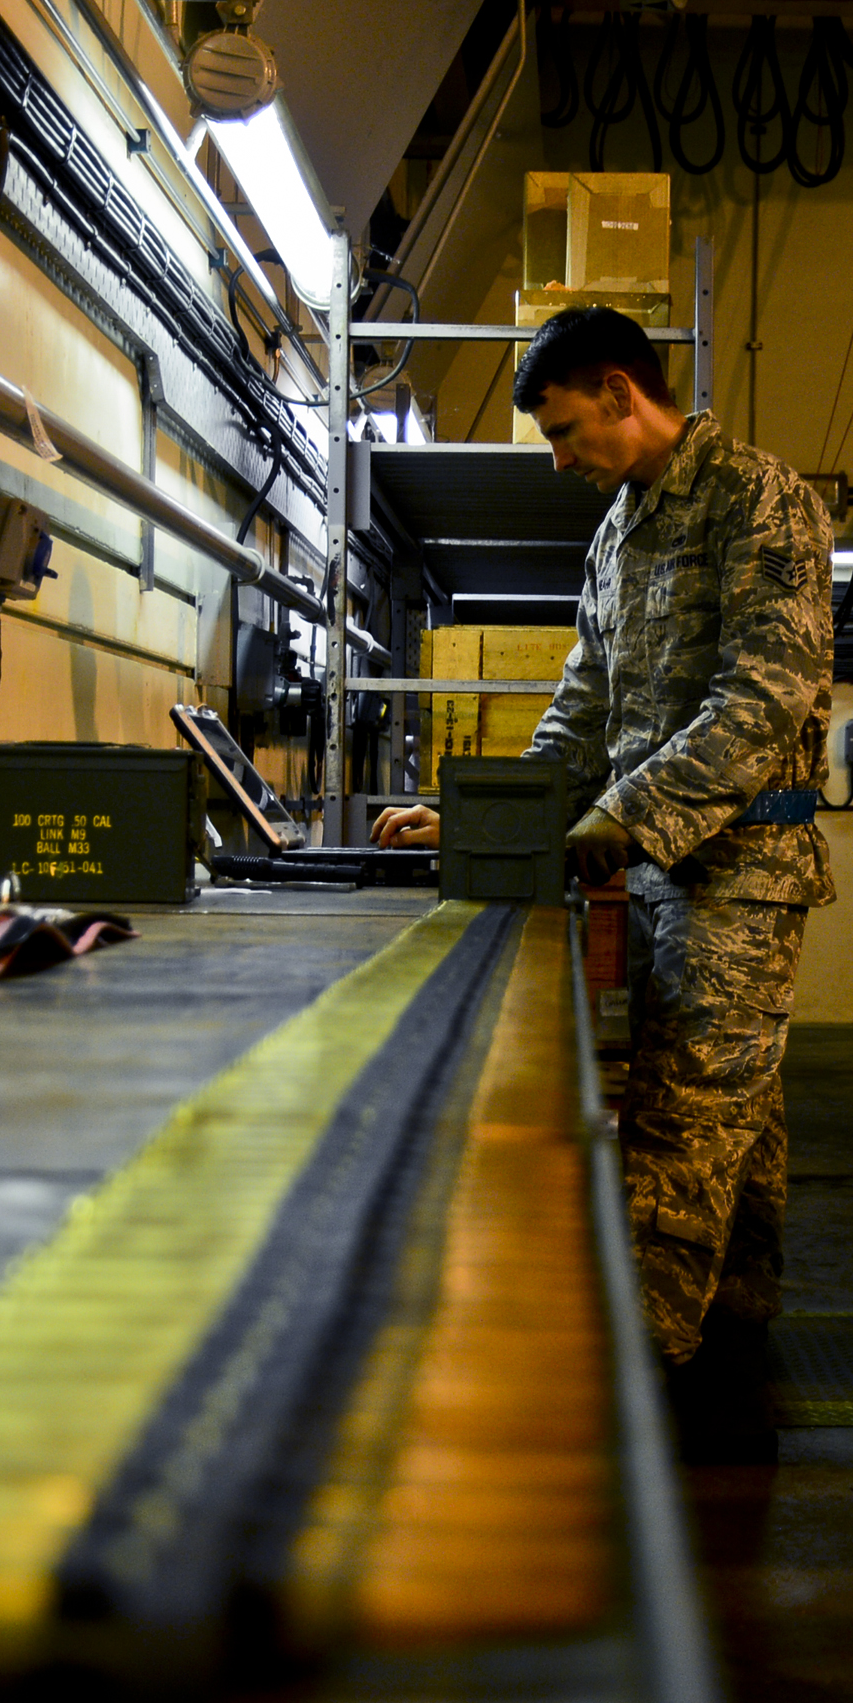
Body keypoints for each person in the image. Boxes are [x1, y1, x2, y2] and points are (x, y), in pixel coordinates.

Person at [373, 306, 834, 1461]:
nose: (560, 460)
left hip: (743, 871)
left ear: (624, 393)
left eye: (568, 430)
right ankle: (735, 1344)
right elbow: (583, 705)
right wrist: (495, 815)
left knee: (682, 1128)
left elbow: (764, 695)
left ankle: (624, 1391)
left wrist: (623, 814)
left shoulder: (758, 499)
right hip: (669, 868)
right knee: (738, 1122)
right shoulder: (619, 532)